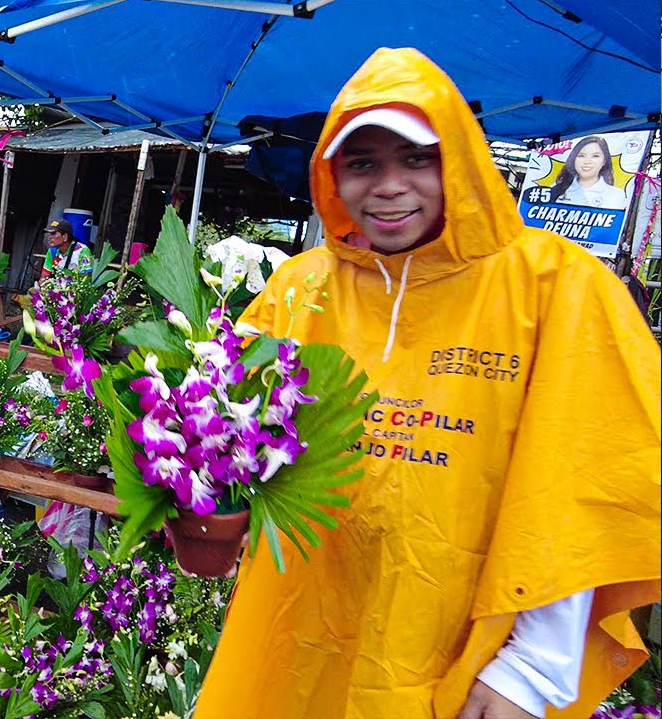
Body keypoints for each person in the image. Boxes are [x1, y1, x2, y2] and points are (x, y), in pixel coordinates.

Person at [194, 48, 659, 719]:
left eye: (418, 158)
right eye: (363, 163)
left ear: (462, 161)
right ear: (331, 175)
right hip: (297, 631)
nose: (389, 186)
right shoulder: (300, 289)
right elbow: (221, 440)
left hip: (467, 652)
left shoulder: (555, 286)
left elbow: (583, 481)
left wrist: (530, 671)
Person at [551, 135, 629, 210]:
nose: (587, 162)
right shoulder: (555, 191)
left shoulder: (616, 195)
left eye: (595, 156)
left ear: (604, 161)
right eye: (581, 155)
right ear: (574, 159)